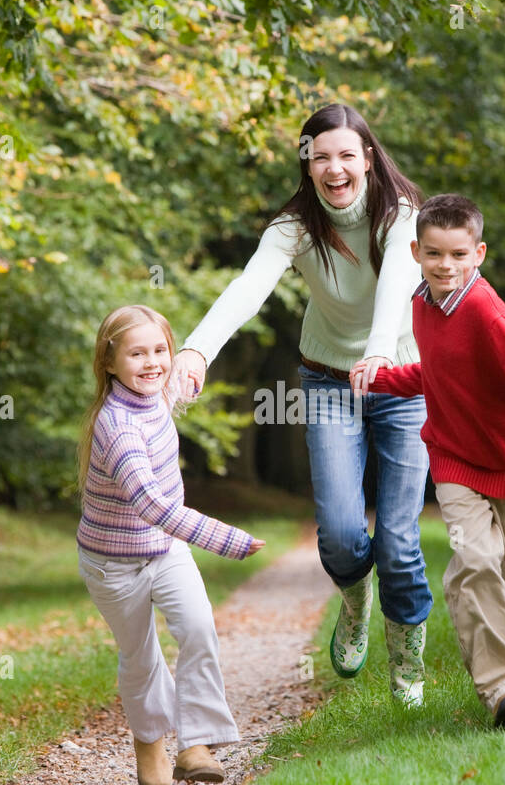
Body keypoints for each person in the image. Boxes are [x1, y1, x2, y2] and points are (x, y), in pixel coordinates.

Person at [171, 103, 433, 707]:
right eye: (322, 157)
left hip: (401, 381)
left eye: (347, 155)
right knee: (342, 536)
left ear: (367, 159)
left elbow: (397, 282)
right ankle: (354, 598)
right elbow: (249, 287)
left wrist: (376, 355)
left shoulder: (403, 219)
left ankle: (407, 668)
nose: (334, 168)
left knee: (398, 539)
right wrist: (196, 350)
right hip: (326, 383)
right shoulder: (293, 227)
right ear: (308, 164)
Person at [351, 194, 505, 728]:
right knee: (473, 563)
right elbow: (438, 375)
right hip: (453, 460)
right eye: (433, 254)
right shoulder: (422, 304)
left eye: (456, 254)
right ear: (416, 252)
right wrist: (381, 378)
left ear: (479, 254)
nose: (444, 265)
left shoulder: (488, 314)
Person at [75, 305, 265, 785]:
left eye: (160, 350)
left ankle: (196, 743)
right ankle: (150, 743)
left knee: (199, 627)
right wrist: (230, 540)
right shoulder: (117, 428)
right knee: (141, 656)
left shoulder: (159, 389)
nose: (153, 362)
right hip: (112, 563)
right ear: (109, 361)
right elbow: (153, 507)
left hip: (166, 551)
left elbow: (187, 375)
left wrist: (194, 358)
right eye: (137, 353)